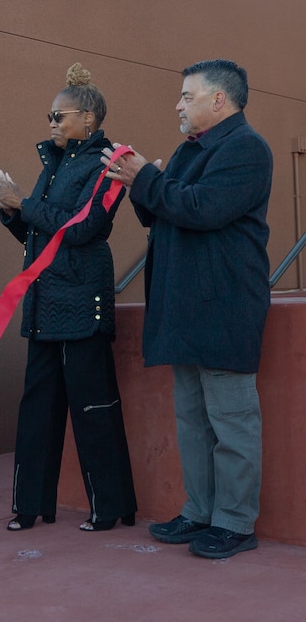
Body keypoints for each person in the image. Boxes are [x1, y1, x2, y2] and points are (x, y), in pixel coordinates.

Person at [102, 59, 272, 559]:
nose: (177, 104)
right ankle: (200, 511)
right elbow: (162, 211)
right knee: (194, 421)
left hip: (224, 307)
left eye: (186, 95)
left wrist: (148, 179)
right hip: (183, 306)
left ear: (219, 100)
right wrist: (136, 180)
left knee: (232, 420)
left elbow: (202, 209)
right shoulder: (187, 151)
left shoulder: (247, 149)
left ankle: (235, 523)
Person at [0, 63, 137, 532]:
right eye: (49, 117)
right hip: (45, 303)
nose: (50, 124)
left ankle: (110, 507)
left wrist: (22, 204)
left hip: (82, 299)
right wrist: (13, 214)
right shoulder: (54, 163)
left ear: (88, 117)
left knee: (93, 408)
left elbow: (83, 227)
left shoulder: (110, 161)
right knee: (37, 409)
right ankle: (30, 506)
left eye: (58, 116)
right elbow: (43, 239)